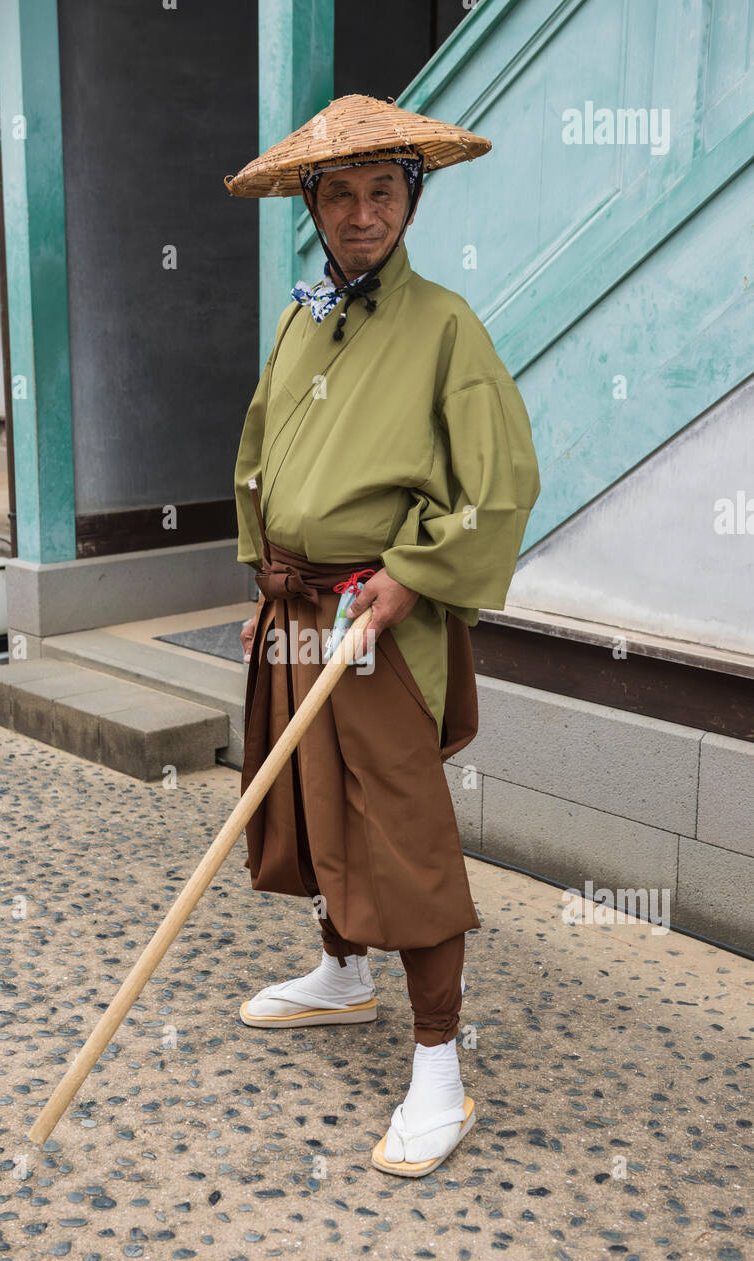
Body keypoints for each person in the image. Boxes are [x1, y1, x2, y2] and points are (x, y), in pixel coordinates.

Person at [224, 94, 540, 1177]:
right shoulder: (302, 313)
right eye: (342, 192)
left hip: (373, 617)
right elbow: (259, 444)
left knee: (400, 833)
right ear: (311, 203)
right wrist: (261, 562)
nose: (364, 212)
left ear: (412, 199)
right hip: (297, 606)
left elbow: (497, 485)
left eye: (384, 191)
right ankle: (341, 972)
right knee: (311, 799)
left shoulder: (446, 324)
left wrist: (409, 573)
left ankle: (441, 1072)